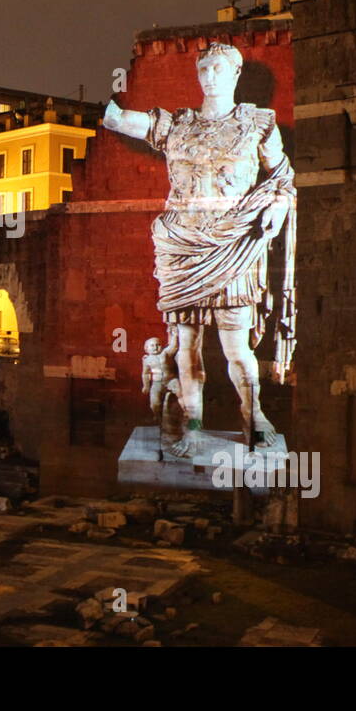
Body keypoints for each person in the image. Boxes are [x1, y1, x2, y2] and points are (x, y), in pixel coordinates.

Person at [104, 42, 295, 455]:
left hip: (233, 242)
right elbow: (121, 122)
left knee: (236, 347)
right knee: (186, 345)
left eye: (218, 69)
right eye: (203, 69)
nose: (209, 76)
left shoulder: (258, 124)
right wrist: (110, 112)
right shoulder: (177, 126)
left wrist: (278, 208)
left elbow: (283, 179)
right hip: (181, 244)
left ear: (236, 74)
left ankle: (254, 417)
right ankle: (190, 425)